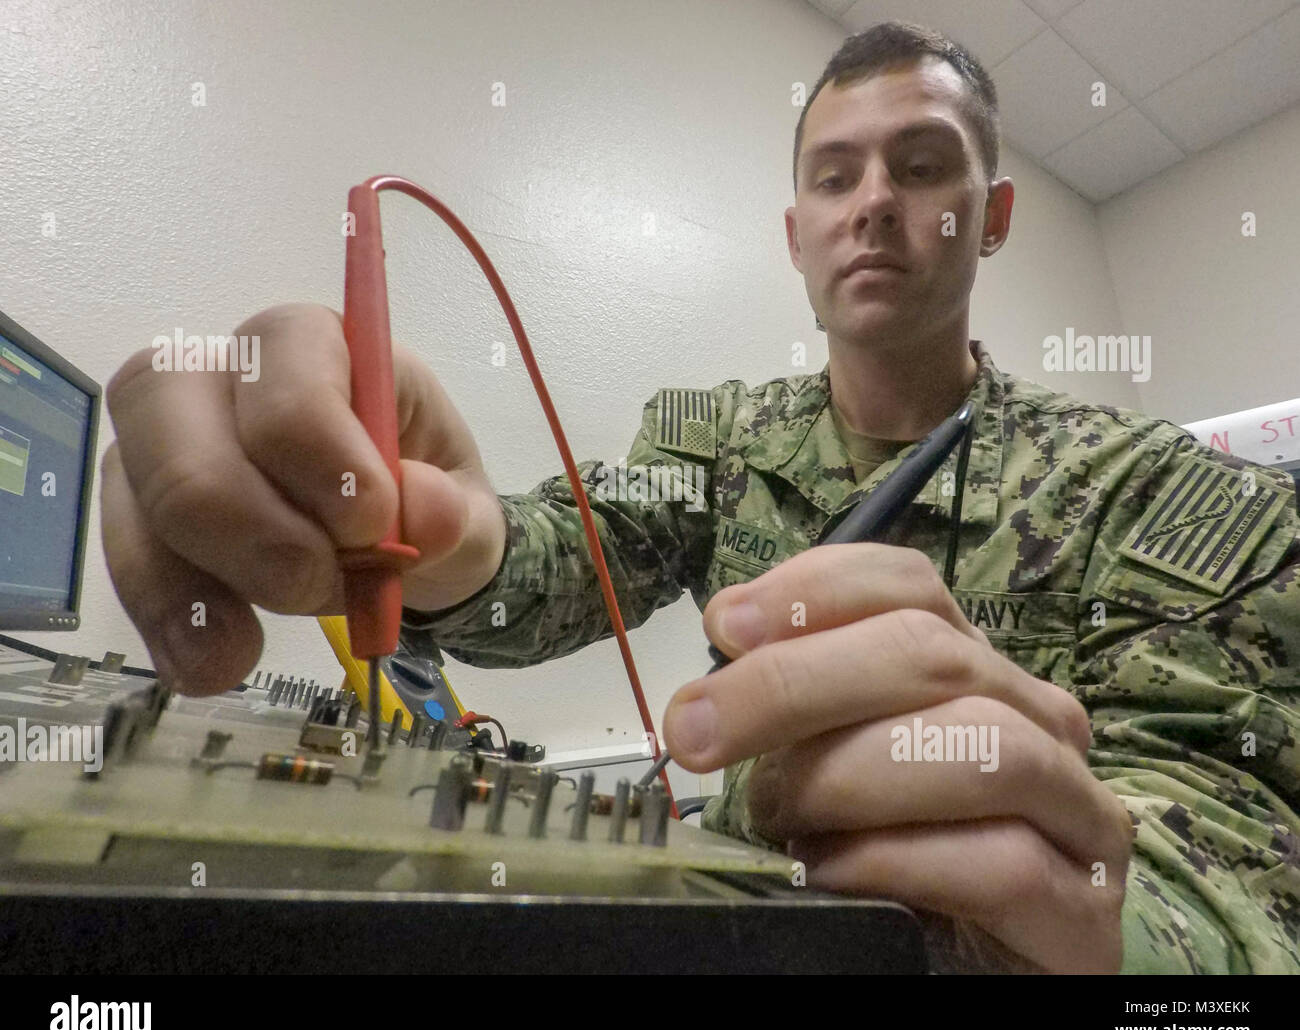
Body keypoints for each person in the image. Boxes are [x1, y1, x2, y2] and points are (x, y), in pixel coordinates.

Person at [101, 22, 1299, 973]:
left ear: (990, 219)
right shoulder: (706, 436)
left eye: (922, 166)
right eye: (836, 176)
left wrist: (1114, 937)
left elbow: (1242, 839)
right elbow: (559, 562)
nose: (874, 200)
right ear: (797, 233)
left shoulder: (1153, 485)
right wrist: (432, 526)